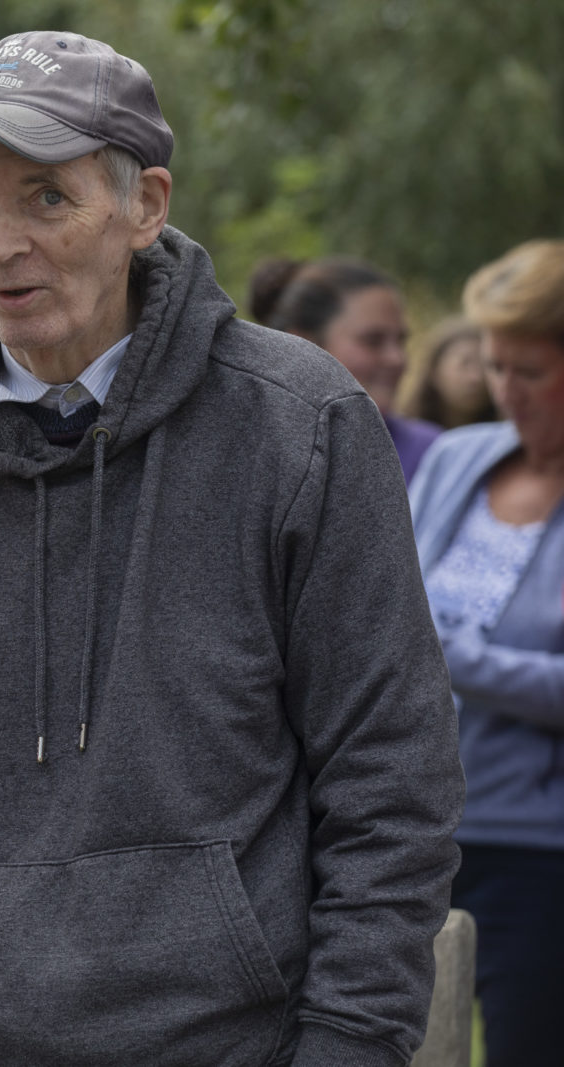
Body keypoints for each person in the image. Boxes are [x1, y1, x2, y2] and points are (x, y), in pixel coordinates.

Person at [0, 30, 464, 1067]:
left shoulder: (300, 425)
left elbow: (391, 781)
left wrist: (347, 1044)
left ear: (146, 205)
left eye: (44, 198)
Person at [408, 239, 564, 1067]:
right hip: (416, 830)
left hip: (539, 848)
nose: (508, 393)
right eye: (496, 368)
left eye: (530, 372)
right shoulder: (459, 458)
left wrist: (457, 658)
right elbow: (380, 599)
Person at [250, 256, 441, 483]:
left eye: (401, 341)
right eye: (372, 340)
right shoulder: (251, 450)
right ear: (304, 344)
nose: (397, 359)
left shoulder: (433, 453)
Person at [408, 316, 498, 429]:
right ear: (434, 370)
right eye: (465, 364)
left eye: (486, 365)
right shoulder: (404, 436)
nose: (476, 377)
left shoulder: (507, 437)